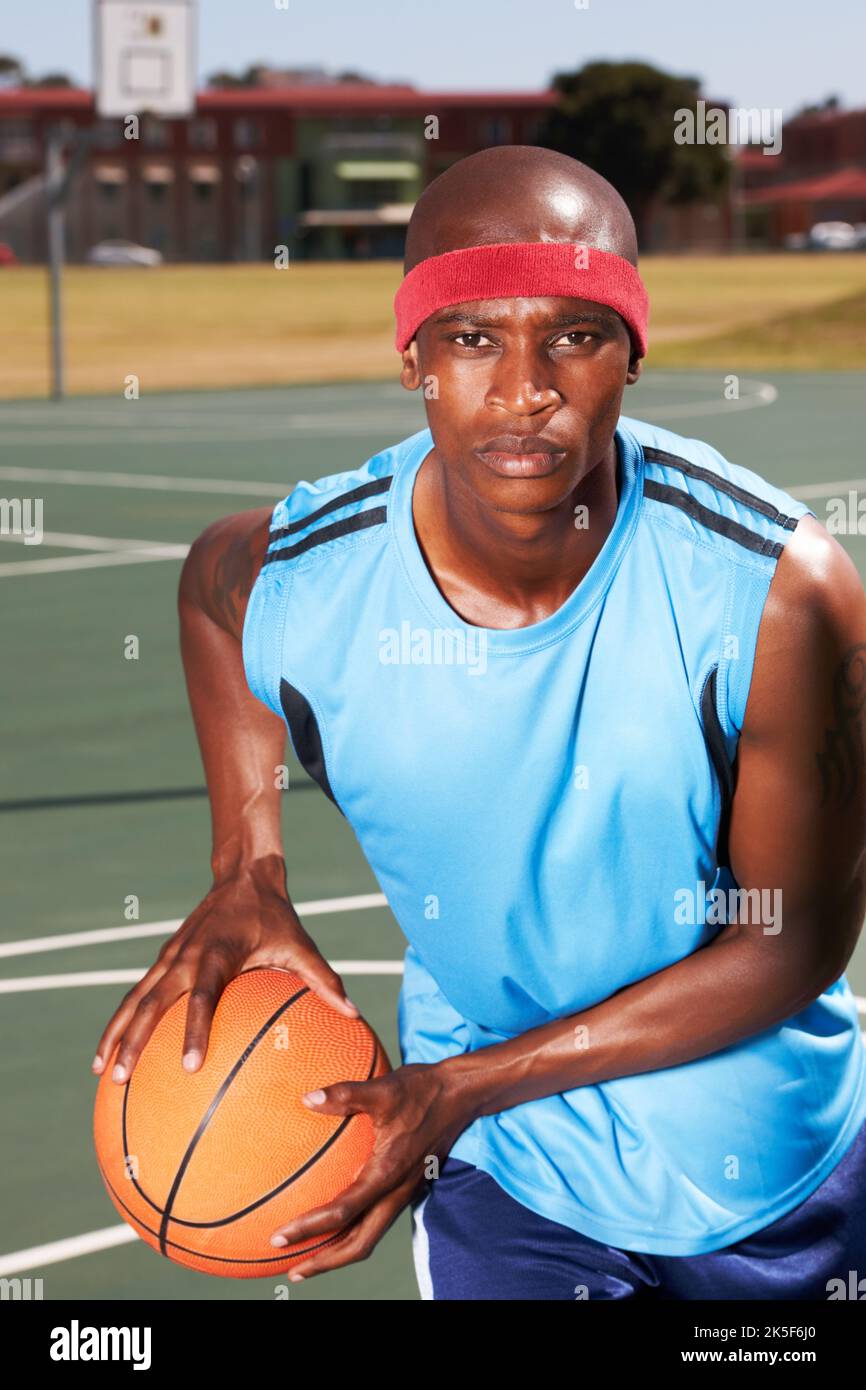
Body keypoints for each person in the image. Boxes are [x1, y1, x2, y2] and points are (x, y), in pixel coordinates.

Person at [93, 145, 866, 1300]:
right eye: (470, 339)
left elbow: (790, 944)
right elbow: (213, 590)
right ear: (412, 358)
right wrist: (246, 867)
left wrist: (458, 1089)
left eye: (574, 334)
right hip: (516, 1185)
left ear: (632, 354)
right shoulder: (312, 576)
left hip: (767, 1166)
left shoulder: (772, 589)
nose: (523, 389)